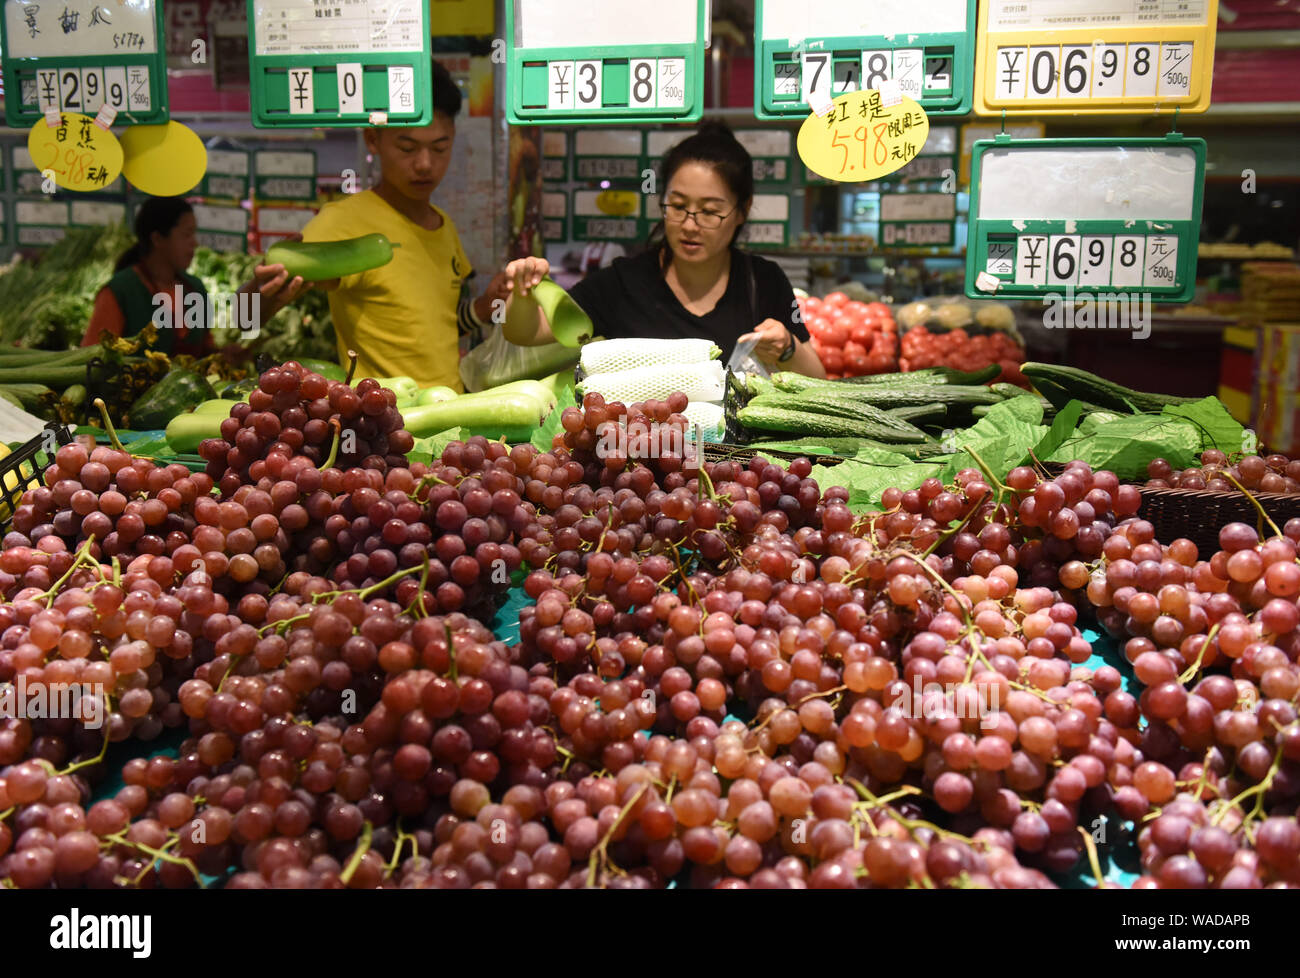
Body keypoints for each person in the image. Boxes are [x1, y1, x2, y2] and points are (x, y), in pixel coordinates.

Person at [500, 121, 825, 378]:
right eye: (678, 206)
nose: (690, 225)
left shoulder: (763, 281)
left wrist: (787, 348)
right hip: (637, 453)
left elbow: (817, 377)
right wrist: (523, 291)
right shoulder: (624, 282)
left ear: (742, 210)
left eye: (710, 212)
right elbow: (528, 333)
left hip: (734, 460)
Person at [299, 60, 507, 391]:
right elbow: (255, 306)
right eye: (407, 148)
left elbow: (440, 326)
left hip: (449, 416)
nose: (425, 164)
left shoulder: (444, 226)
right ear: (372, 139)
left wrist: (485, 307)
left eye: (440, 147)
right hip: (383, 426)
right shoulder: (343, 222)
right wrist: (258, 295)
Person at [82, 196, 307, 355]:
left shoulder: (194, 288)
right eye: (187, 234)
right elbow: (91, 357)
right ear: (158, 239)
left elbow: (203, 349)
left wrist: (223, 355)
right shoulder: (120, 291)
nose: (195, 243)